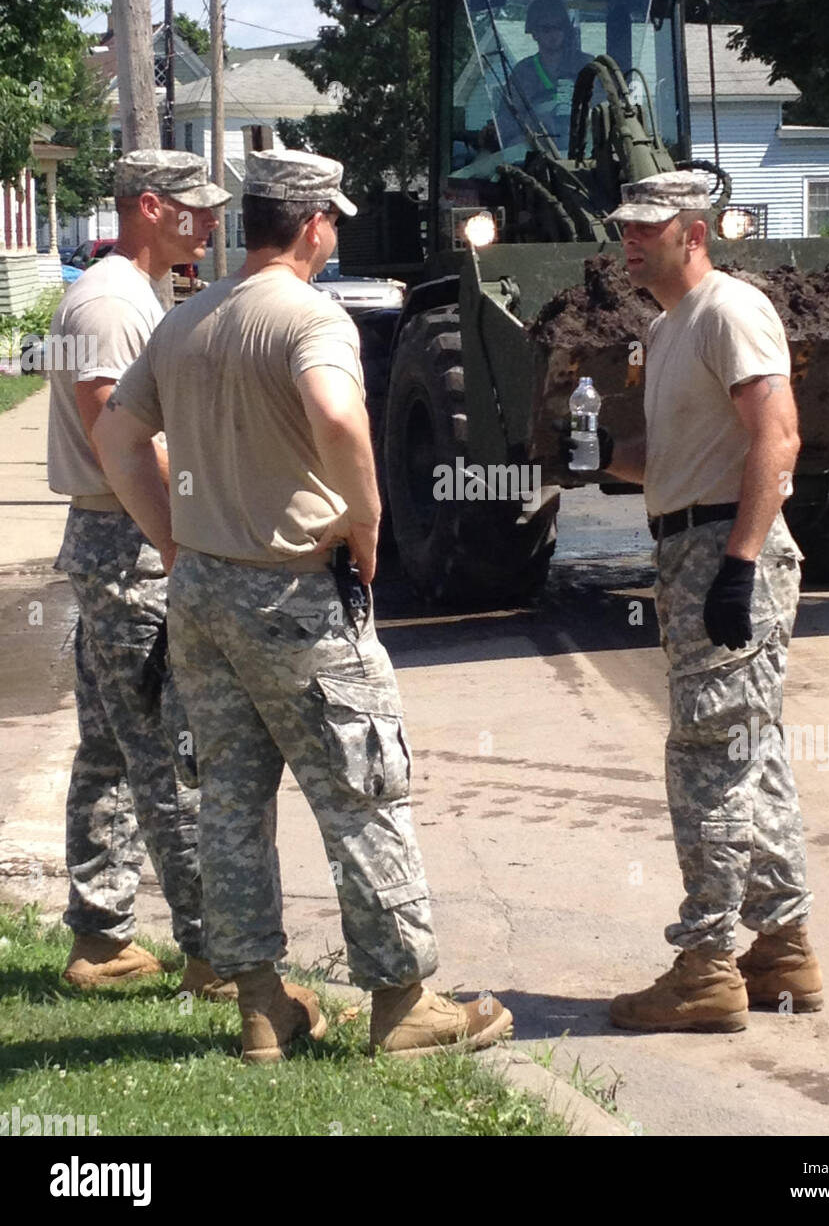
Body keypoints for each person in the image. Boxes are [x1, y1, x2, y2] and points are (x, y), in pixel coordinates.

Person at [93, 148, 513, 1063]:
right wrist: (367, 521)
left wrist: (174, 540)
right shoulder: (309, 318)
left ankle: (259, 1005)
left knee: (231, 804)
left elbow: (116, 435)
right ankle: (402, 1006)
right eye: (335, 221)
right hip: (295, 597)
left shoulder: (187, 320)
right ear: (316, 222)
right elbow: (335, 414)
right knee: (363, 791)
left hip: (202, 594)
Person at [596, 171, 822, 1033]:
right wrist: (601, 462)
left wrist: (739, 563)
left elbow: (778, 432)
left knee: (707, 761)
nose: (631, 241)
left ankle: (705, 965)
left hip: (727, 550)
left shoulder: (728, 309)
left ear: (693, 233)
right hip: (688, 545)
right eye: (625, 228)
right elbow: (674, 460)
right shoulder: (665, 327)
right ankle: (781, 948)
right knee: (749, 753)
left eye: (647, 229)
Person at [47, 149, 232, 996]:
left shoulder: (130, 295)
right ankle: (213, 957)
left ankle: (101, 936)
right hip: (128, 544)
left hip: (120, 540)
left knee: (110, 750)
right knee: (167, 750)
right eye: (196, 207)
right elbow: (113, 439)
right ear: (150, 206)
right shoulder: (108, 303)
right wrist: (178, 546)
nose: (212, 219)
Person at [503, 0, 592, 152]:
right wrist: (533, 123)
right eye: (546, 28)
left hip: (584, 153)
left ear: (566, 30)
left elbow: (604, 110)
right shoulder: (522, 73)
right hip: (535, 156)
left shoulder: (588, 66)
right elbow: (507, 125)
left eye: (558, 27)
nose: (553, 34)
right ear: (533, 32)